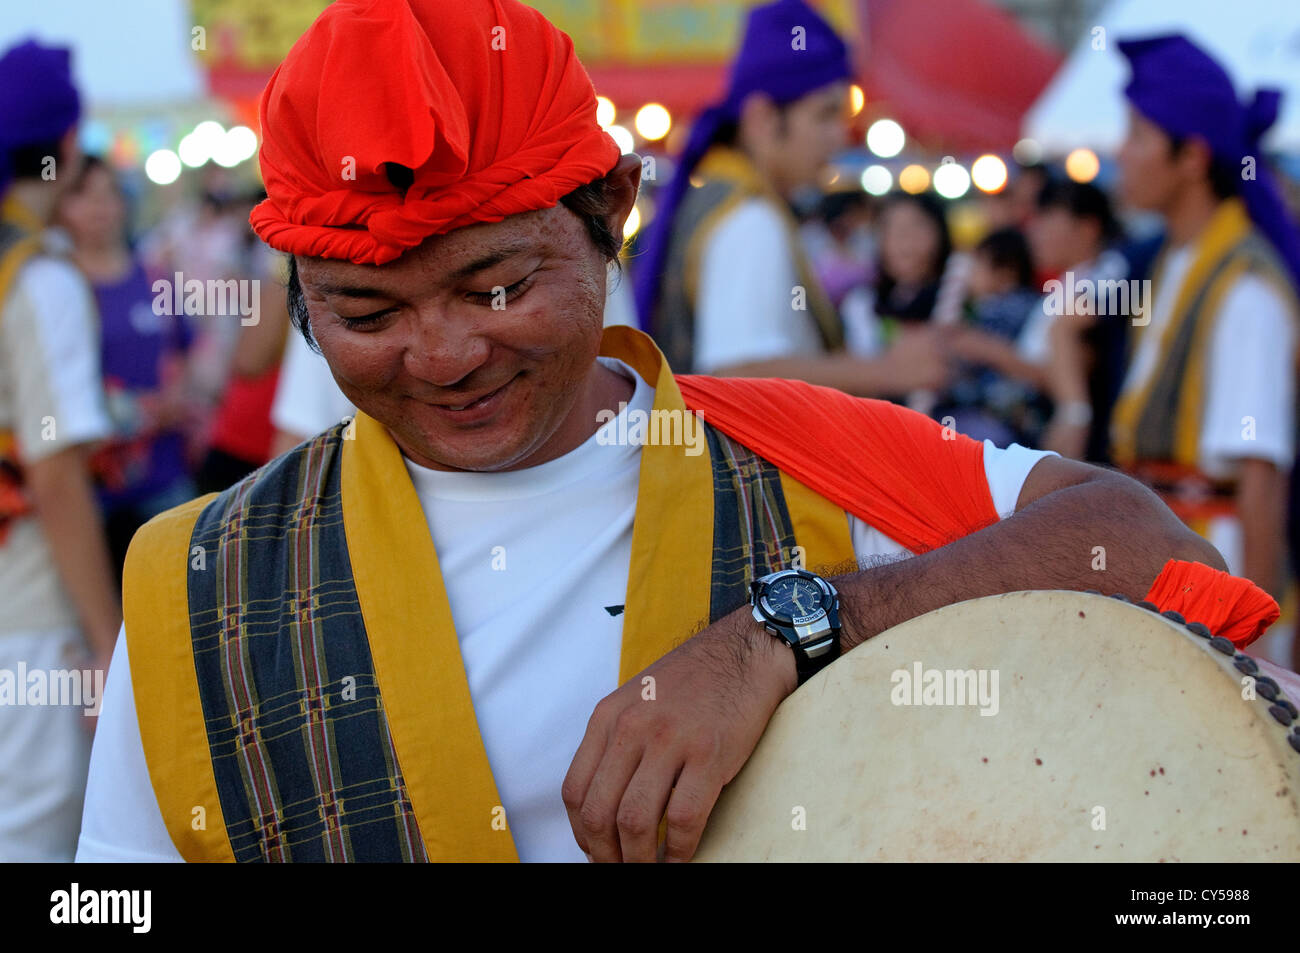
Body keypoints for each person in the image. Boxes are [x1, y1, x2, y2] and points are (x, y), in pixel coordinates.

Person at [77, 0, 1275, 864]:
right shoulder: (195, 586)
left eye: (497, 286)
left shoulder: (797, 462)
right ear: (295, 292)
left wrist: (789, 631)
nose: (442, 355)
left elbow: (1146, 542)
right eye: (366, 311)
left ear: (610, 208)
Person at [634, 0, 946, 397]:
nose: (839, 135)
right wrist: (891, 370)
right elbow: (737, 374)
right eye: (824, 115)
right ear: (763, 118)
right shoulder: (749, 219)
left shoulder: (724, 197)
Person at [1109, 35, 1300, 668]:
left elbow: (1260, 479)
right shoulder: (1176, 261)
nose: (1121, 152)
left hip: (1213, 576)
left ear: (1191, 156)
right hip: (1168, 555)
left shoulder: (1245, 287)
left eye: (1137, 135)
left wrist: (1258, 641)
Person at [0, 40, 121, 860]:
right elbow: (54, 472)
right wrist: (112, 647)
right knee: (34, 842)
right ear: (67, 149)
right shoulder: (37, 280)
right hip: (29, 619)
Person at [56, 155, 199, 581]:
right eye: (84, 196)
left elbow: (184, 350)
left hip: (162, 471)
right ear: (62, 205)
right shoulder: (57, 285)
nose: (100, 208)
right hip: (87, 481)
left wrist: (178, 399)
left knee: (176, 591)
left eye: (109, 194)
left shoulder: (155, 277)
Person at [936, 227, 1050, 447]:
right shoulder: (1029, 303)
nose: (971, 274)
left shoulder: (1005, 307)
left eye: (978, 265)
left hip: (1004, 414)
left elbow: (968, 354)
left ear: (1006, 272)